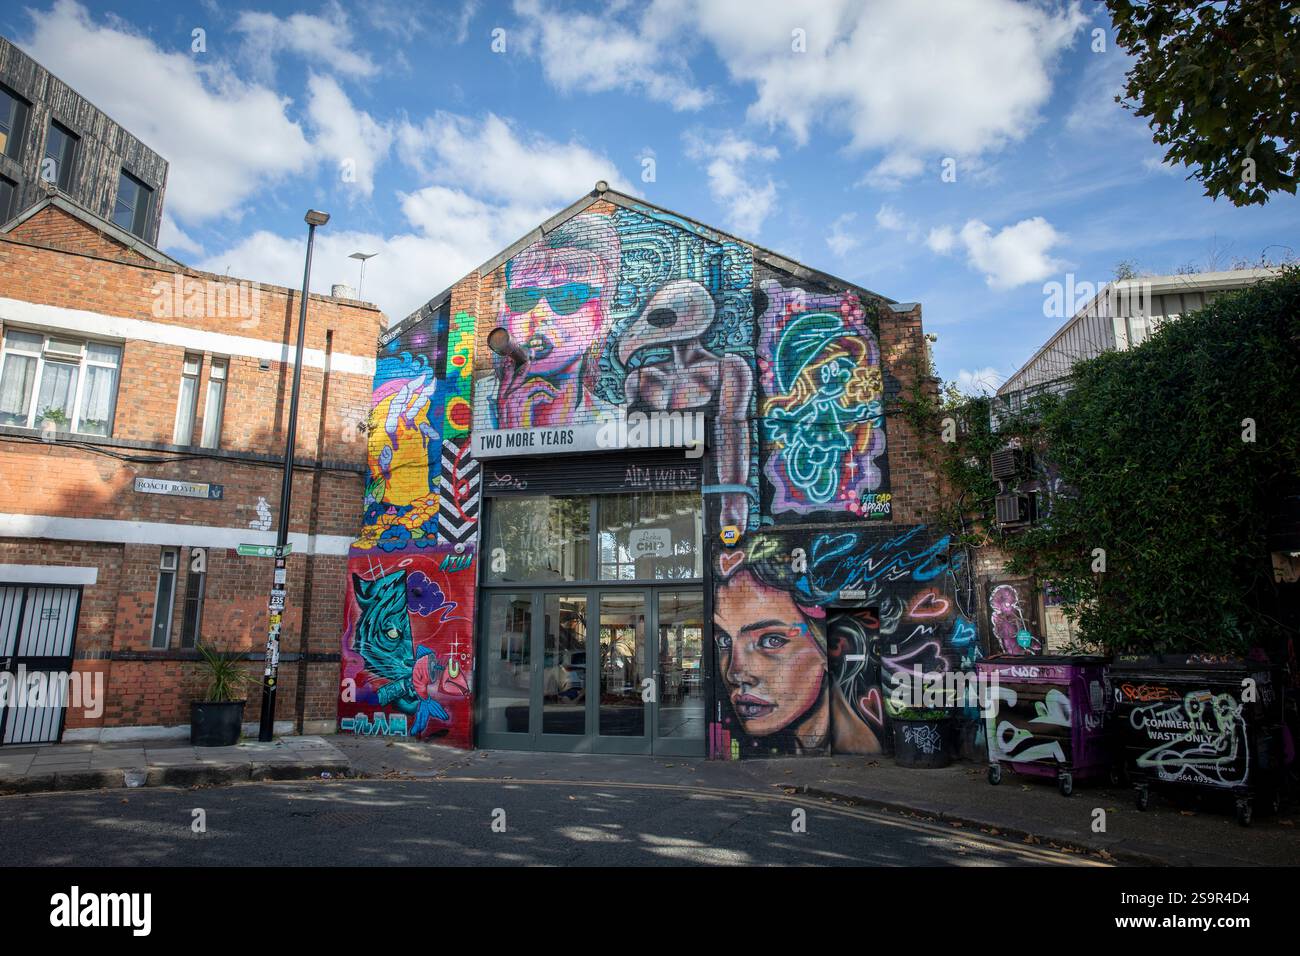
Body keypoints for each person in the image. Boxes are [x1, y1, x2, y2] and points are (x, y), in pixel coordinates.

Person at [714, 560, 885, 754]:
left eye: (771, 641)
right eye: (725, 642)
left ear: (831, 648)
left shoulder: (859, 747)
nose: (734, 674)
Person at [491, 213, 619, 428]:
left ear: (601, 318)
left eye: (567, 297)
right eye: (524, 298)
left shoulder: (615, 424)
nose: (539, 313)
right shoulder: (468, 416)